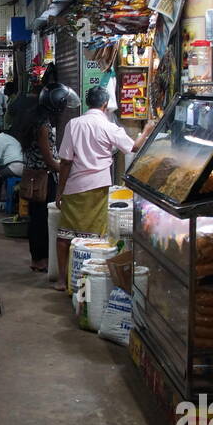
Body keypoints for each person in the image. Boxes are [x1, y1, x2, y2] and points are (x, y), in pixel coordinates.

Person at [55, 85, 155, 291]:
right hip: (98, 187)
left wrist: (59, 190)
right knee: (95, 238)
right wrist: (146, 130)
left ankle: (62, 281)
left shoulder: (74, 124)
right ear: (105, 104)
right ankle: (87, 284)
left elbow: (65, 161)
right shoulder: (110, 127)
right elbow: (133, 148)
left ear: (87, 102)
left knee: (65, 235)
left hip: (74, 187)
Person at [23, 85, 63, 272]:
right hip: (44, 179)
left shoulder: (33, 121)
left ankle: (37, 258)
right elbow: (48, 159)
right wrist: (66, 169)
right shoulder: (43, 127)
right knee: (42, 219)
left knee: (36, 218)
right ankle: (40, 259)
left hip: (33, 176)